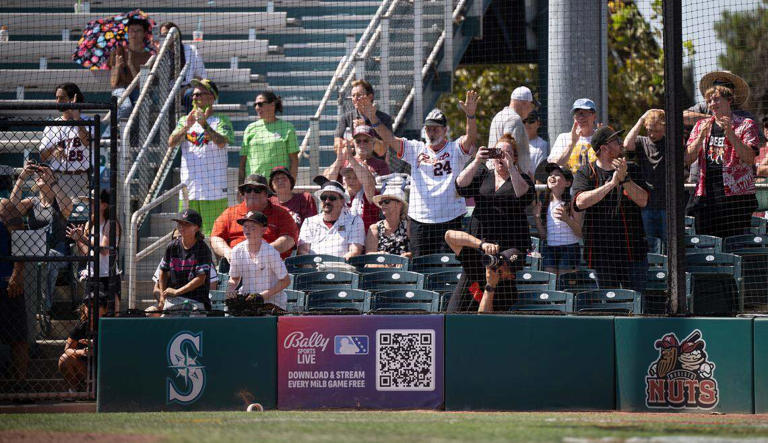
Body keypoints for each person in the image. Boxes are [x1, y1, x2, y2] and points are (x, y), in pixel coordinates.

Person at [361, 91, 479, 256]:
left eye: (436, 129)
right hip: (420, 220)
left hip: (450, 218)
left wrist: (471, 116)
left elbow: (471, 138)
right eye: (429, 129)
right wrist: (373, 119)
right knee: (421, 267)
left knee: (448, 266)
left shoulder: (454, 149)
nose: (432, 133)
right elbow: (389, 139)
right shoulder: (416, 149)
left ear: (445, 130)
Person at [572, 126, 649, 292]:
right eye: (616, 141)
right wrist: (612, 184)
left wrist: (625, 179)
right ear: (604, 148)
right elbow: (580, 202)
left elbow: (643, 200)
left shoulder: (631, 169)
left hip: (633, 253)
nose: (621, 144)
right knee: (607, 304)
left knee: (637, 303)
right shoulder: (586, 172)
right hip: (602, 254)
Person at [685, 85, 759, 239]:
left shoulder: (746, 124)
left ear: (729, 100)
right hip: (706, 196)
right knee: (707, 244)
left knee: (735, 244)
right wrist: (700, 138)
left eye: (717, 99)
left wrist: (730, 134)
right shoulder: (700, 125)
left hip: (736, 198)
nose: (712, 103)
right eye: (709, 101)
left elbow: (750, 158)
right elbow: (687, 159)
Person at [168, 78, 234, 237]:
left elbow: (221, 142)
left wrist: (204, 124)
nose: (194, 98)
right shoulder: (185, 120)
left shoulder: (222, 120)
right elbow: (171, 142)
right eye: (193, 94)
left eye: (199, 94)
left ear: (211, 97)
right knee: (182, 235)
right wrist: (187, 126)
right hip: (189, 191)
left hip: (214, 191)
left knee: (216, 236)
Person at [9, 162, 72, 316]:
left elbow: (67, 206)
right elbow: (11, 208)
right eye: (38, 173)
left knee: (48, 260)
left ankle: (44, 307)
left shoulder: (59, 202)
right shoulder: (32, 202)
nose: (39, 175)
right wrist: (21, 178)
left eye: (44, 172)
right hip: (33, 250)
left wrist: (52, 180)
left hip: (57, 251)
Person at [456, 133, 535, 255]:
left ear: (514, 157)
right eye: (498, 152)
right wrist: (477, 160)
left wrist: (511, 167)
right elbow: (460, 184)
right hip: (480, 238)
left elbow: (524, 196)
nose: (501, 156)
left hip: (511, 241)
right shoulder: (483, 174)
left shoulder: (522, 178)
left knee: (499, 270)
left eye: (507, 153)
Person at [211, 174, 298, 261]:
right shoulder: (230, 213)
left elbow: (289, 239)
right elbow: (216, 238)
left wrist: (264, 252)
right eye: (248, 190)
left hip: (271, 264)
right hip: (237, 262)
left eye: (257, 190)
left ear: (266, 194)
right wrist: (228, 252)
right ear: (243, 194)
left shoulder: (281, 214)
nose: (252, 193)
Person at [66, 189, 121, 311]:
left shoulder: (110, 223)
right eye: (89, 202)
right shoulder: (90, 223)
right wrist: (77, 239)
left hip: (108, 276)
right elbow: (86, 252)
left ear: (105, 205)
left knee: (110, 314)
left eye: (94, 202)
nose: (90, 205)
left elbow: (104, 250)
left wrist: (83, 238)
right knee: (88, 316)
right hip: (92, 275)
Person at [444, 230, 523, 313]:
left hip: (476, 324)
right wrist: (482, 244)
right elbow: (449, 236)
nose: (500, 265)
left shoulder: (509, 292)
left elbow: (483, 318)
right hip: (453, 317)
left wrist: (490, 285)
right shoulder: (479, 261)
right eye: (501, 260)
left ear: (511, 276)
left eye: (506, 266)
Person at [227, 211, 291, 310]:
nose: (247, 229)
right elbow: (234, 278)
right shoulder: (236, 251)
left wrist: (262, 296)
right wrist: (230, 290)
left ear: (264, 230)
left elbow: (285, 281)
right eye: (245, 226)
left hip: (272, 303)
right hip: (247, 301)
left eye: (253, 226)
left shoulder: (270, 252)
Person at [38, 83, 92, 199]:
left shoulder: (89, 121)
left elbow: (87, 142)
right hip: (57, 177)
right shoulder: (51, 125)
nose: (58, 101)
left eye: (62, 98)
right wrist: (54, 149)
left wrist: (77, 119)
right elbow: (42, 156)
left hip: (82, 177)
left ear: (73, 99)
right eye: (57, 98)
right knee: (58, 214)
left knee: (81, 215)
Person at [155, 209, 212, 311]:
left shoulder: (203, 249)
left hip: (197, 301)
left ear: (196, 228)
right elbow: (163, 271)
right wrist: (162, 297)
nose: (181, 226)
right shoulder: (172, 246)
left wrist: (177, 292)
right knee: (152, 315)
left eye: (186, 224)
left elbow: (200, 279)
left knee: (190, 324)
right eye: (179, 223)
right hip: (173, 299)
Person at [624, 109, 667, 240]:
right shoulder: (642, 141)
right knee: (650, 244)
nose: (652, 134)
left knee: (669, 244)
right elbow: (626, 144)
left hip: (667, 204)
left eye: (657, 131)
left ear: (665, 129)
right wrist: (641, 120)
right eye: (649, 130)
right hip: (647, 203)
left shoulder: (671, 142)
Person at [532, 163, 583, 275]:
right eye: (551, 174)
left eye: (557, 174)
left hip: (569, 249)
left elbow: (579, 233)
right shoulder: (544, 203)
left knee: (564, 284)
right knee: (551, 282)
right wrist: (537, 218)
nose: (552, 177)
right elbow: (544, 236)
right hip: (550, 249)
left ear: (567, 183)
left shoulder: (572, 203)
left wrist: (567, 219)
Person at [239, 91, 299, 182]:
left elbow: (294, 162)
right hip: (254, 186)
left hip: (278, 186)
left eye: (260, 104)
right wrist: (240, 189)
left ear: (272, 104)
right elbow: (242, 163)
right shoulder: (250, 128)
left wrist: (290, 185)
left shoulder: (287, 128)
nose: (257, 108)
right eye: (255, 105)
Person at [298, 180, 365, 259]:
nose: (327, 201)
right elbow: (303, 251)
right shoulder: (309, 222)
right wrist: (311, 266)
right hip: (313, 268)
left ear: (342, 201)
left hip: (343, 268)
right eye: (324, 197)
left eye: (332, 198)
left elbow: (354, 251)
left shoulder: (355, 221)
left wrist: (336, 266)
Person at [58, 293, 110, 392]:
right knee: (64, 359)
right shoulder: (81, 326)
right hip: (85, 368)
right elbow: (67, 349)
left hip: (105, 369)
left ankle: (98, 387)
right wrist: (81, 352)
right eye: (88, 306)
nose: (91, 309)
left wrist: (97, 345)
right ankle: (75, 389)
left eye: (97, 306)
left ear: (105, 309)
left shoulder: (109, 325)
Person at [323, 142, 379, 231]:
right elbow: (325, 184)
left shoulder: (368, 195)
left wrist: (351, 159)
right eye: (348, 177)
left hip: (365, 239)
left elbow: (368, 183)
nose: (351, 180)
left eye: (356, 177)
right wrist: (339, 160)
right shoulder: (339, 196)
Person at [334, 79, 394, 162]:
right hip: (352, 166)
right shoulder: (346, 118)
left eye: (358, 95)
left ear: (370, 97)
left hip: (377, 167)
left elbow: (382, 151)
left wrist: (364, 130)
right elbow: (337, 146)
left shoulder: (384, 118)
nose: (355, 99)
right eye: (353, 95)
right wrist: (355, 136)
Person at [0, 198, 27, 381]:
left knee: (18, 338)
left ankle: (21, 384)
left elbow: (20, 238)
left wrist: (17, 273)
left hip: (6, 284)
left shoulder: (3, 205)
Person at [108, 16, 153, 119]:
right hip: (120, 89)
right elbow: (113, 83)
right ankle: (110, 134)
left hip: (138, 90)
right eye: (131, 30)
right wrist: (118, 67)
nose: (134, 34)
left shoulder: (148, 56)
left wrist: (131, 66)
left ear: (144, 34)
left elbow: (142, 85)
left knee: (144, 106)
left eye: (138, 31)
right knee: (125, 106)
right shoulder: (118, 52)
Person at [488, 86, 537, 176]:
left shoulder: (498, 116)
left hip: (495, 172)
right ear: (524, 104)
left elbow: (494, 151)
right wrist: (520, 175)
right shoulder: (514, 119)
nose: (531, 110)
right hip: (509, 177)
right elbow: (509, 150)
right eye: (531, 106)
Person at [159, 22, 207, 113]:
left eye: (169, 34)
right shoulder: (160, 54)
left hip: (187, 88)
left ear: (177, 35)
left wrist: (186, 87)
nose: (167, 38)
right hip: (167, 91)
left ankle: (193, 124)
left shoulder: (191, 50)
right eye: (164, 35)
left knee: (191, 94)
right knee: (163, 99)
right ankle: (170, 126)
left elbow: (201, 77)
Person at [684, 70, 755, 127]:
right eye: (717, 84)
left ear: (731, 94)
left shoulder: (744, 116)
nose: (720, 87)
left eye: (726, 85)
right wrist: (714, 119)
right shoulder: (704, 108)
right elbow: (683, 117)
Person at [547, 98, 599, 173]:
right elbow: (554, 165)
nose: (581, 117)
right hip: (571, 184)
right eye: (578, 114)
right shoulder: (563, 138)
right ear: (573, 117)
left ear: (594, 116)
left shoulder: (600, 138)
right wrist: (572, 143)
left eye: (585, 113)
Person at [326, 125, 390, 180]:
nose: (362, 144)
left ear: (373, 142)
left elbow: (382, 189)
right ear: (353, 142)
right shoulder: (343, 162)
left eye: (366, 141)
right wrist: (338, 161)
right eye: (358, 141)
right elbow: (328, 181)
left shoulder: (381, 165)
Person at [366, 182, 410, 257]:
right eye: (381, 202)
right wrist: (378, 254)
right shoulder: (374, 228)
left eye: (387, 202)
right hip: (380, 266)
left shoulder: (408, 226)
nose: (383, 205)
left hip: (403, 267)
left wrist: (407, 256)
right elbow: (369, 255)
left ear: (399, 204)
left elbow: (416, 252)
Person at [524, 111, 549, 180]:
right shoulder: (514, 143)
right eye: (524, 121)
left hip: (532, 186)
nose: (527, 124)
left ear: (538, 123)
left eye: (531, 120)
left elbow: (540, 176)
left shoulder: (543, 145)